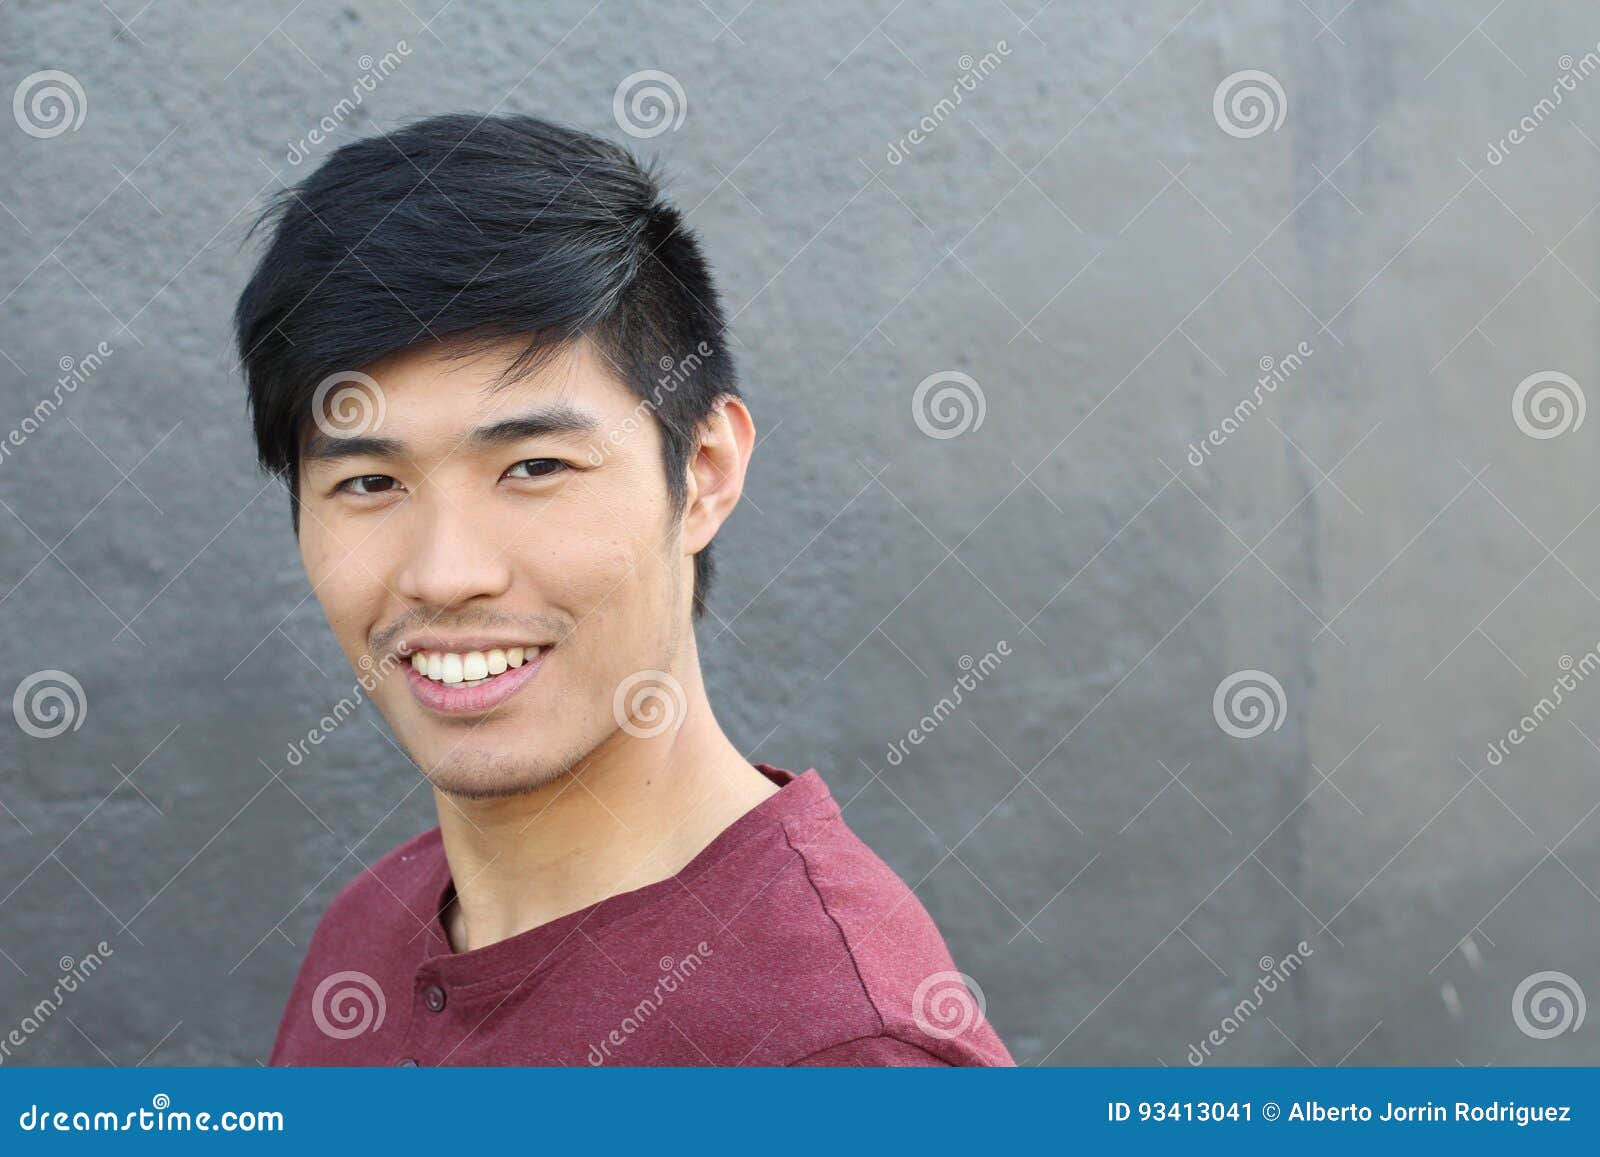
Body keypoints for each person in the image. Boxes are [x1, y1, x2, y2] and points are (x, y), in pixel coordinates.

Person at [234, 113, 1013, 1067]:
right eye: (369, 483)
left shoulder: (841, 1051)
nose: (443, 572)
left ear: (707, 471)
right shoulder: (371, 932)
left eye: (534, 467)